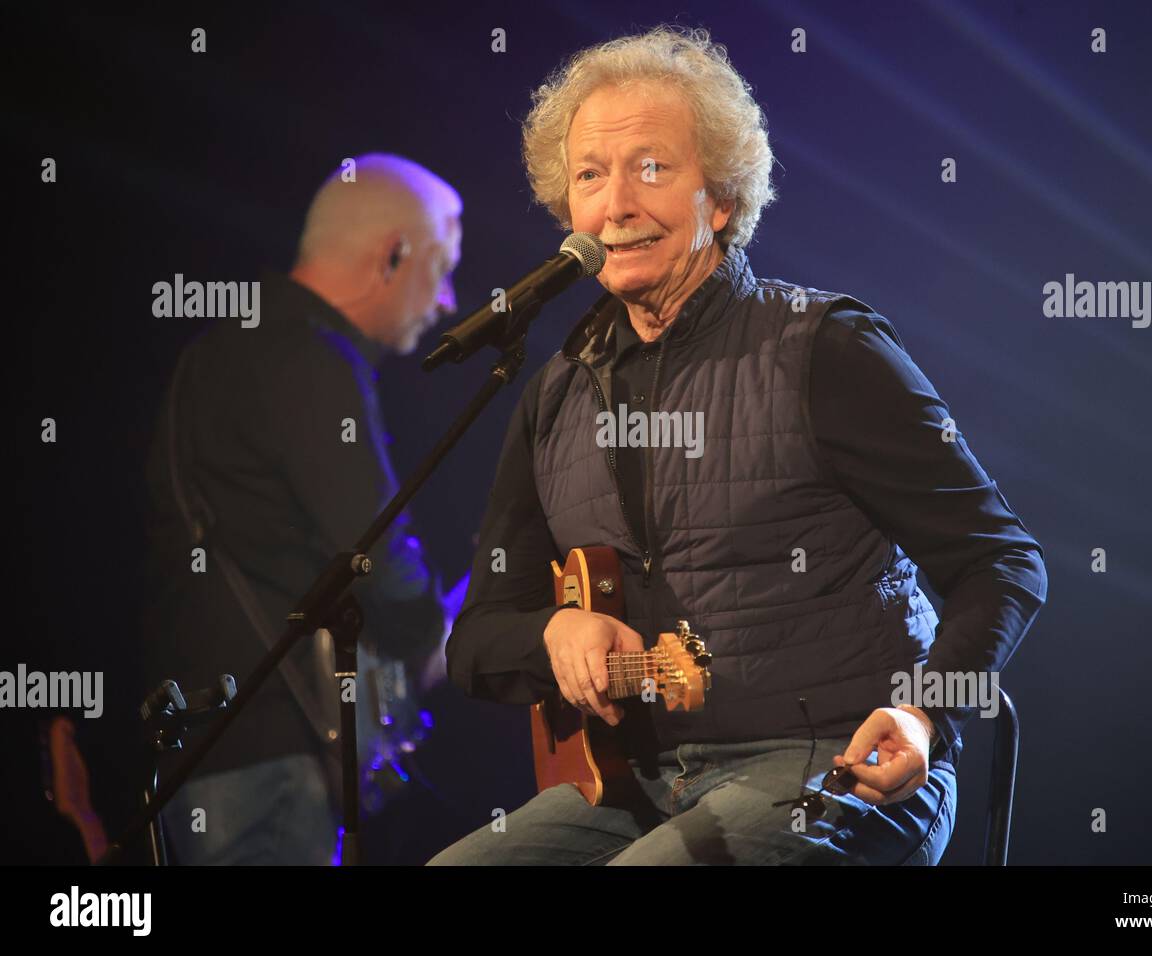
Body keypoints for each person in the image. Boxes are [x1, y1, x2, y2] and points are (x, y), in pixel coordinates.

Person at [429, 27, 1047, 866]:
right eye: (589, 176)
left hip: (834, 761)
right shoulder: (555, 394)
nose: (615, 204)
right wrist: (552, 636)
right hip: (634, 787)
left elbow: (1002, 562)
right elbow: (475, 642)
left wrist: (926, 711)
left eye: (650, 167)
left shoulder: (826, 349)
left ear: (719, 199)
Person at [142, 154, 461, 864]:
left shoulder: (222, 349)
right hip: (272, 754)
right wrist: (430, 629)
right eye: (440, 270)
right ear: (393, 254)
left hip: (212, 742)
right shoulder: (309, 355)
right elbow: (370, 546)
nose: (446, 302)